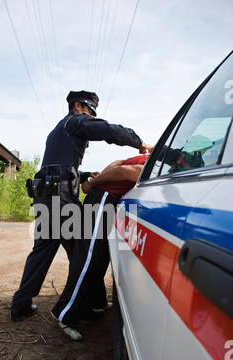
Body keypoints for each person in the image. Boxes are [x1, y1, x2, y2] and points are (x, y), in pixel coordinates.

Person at [11, 89, 153, 322]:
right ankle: (90, 302)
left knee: (44, 251)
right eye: (90, 111)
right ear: (78, 106)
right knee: (87, 249)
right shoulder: (74, 121)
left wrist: (85, 174)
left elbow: (58, 166)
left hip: (48, 195)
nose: (91, 118)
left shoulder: (60, 130)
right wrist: (137, 142)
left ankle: (21, 305)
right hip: (60, 198)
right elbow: (107, 130)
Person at [51, 153, 149, 340]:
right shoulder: (150, 165)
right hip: (102, 198)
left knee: (100, 257)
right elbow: (120, 170)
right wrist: (92, 183)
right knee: (89, 257)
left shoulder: (144, 158)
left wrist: (100, 180)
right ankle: (64, 313)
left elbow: (118, 163)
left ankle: (93, 304)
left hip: (105, 198)